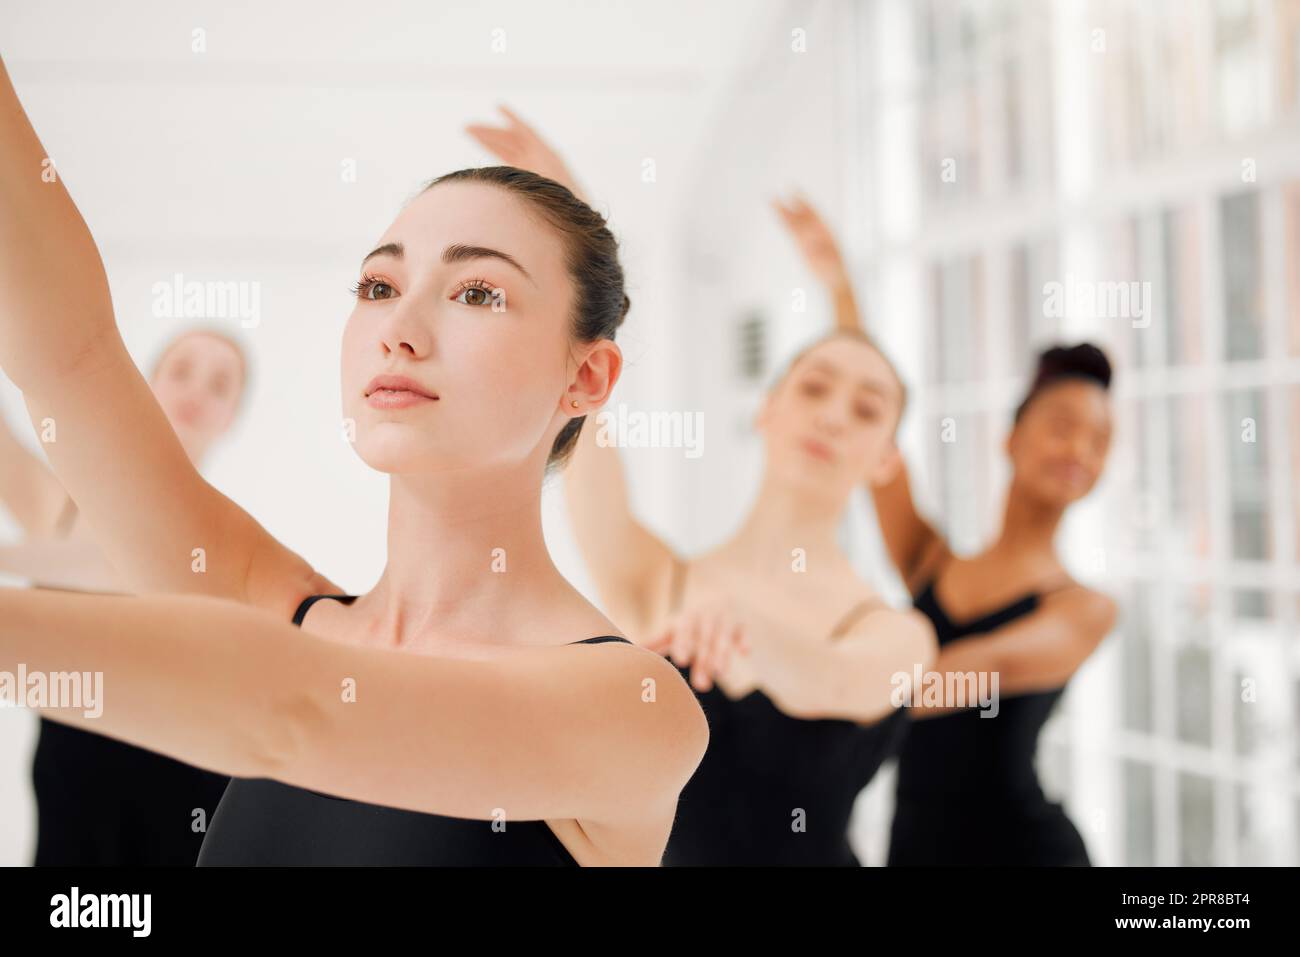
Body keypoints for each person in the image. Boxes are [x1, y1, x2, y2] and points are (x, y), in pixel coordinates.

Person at [0, 57, 707, 867]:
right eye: (378, 285)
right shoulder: (268, 602)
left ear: (586, 376)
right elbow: (70, 357)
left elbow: (294, 712)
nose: (398, 327)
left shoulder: (636, 708)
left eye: (476, 291)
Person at [467, 107, 937, 865]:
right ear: (768, 408)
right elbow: (581, 410)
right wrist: (574, 230)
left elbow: (828, 678)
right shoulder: (658, 582)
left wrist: (743, 625)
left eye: (867, 409)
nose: (835, 417)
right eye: (814, 387)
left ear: (886, 457)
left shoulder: (892, 633)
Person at [776, 198, 1119, 865]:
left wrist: (795, 678)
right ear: (1011, 437)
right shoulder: (929, 559)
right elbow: (878, 443)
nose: (1080, 446)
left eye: (1101, 437)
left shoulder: (1085, 609)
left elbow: (970, 671)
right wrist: (841, 289)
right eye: (1062, 423)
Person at [0, 327, 247, 865]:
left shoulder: (231, 545)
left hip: (183, 803)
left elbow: (136, 569)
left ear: (231, 417)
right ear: (147, 385)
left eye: (221, 384)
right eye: (181, 371)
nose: (197, 391)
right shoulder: (60, 509)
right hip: (74, 801)